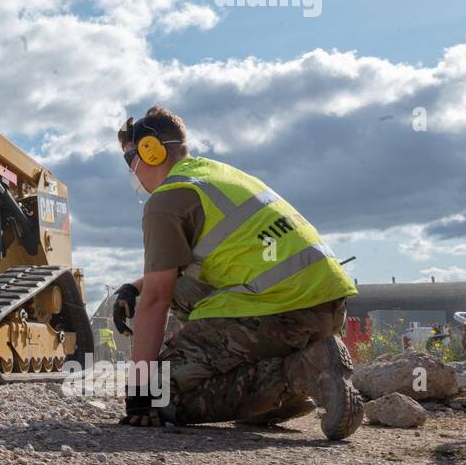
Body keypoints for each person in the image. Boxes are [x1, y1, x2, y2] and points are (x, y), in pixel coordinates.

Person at [109, 107, 363, 440]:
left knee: (161, 396)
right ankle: (271, 396)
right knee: (182, 290)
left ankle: (301, 371)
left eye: (131, 160)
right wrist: (133, 287)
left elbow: (157, 298)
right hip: (325, 305)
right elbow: (179, 273)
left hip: (280, 310)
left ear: (150, 152)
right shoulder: (216, 176)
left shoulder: (166, 202)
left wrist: (140, 393)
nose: (132, 171)